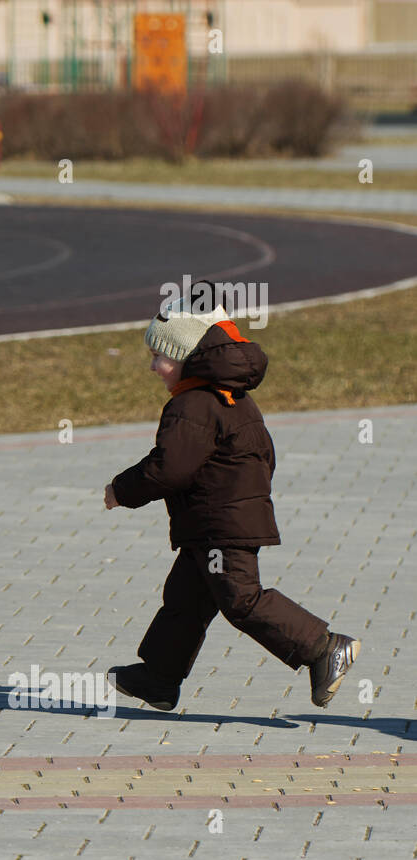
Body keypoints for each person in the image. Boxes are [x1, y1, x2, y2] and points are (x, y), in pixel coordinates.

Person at [103, 281, 361, 711]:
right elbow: (263, 456)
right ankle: (159, 679)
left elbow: (169, 467)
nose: (153, 367)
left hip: (221, 524)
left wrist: (121, 490)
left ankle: (323, 648)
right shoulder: (231, 399)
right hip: (215, 522)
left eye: (160, 356)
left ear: (187, 357)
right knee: (186, 597)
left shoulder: (195, 406)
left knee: (241, 599)